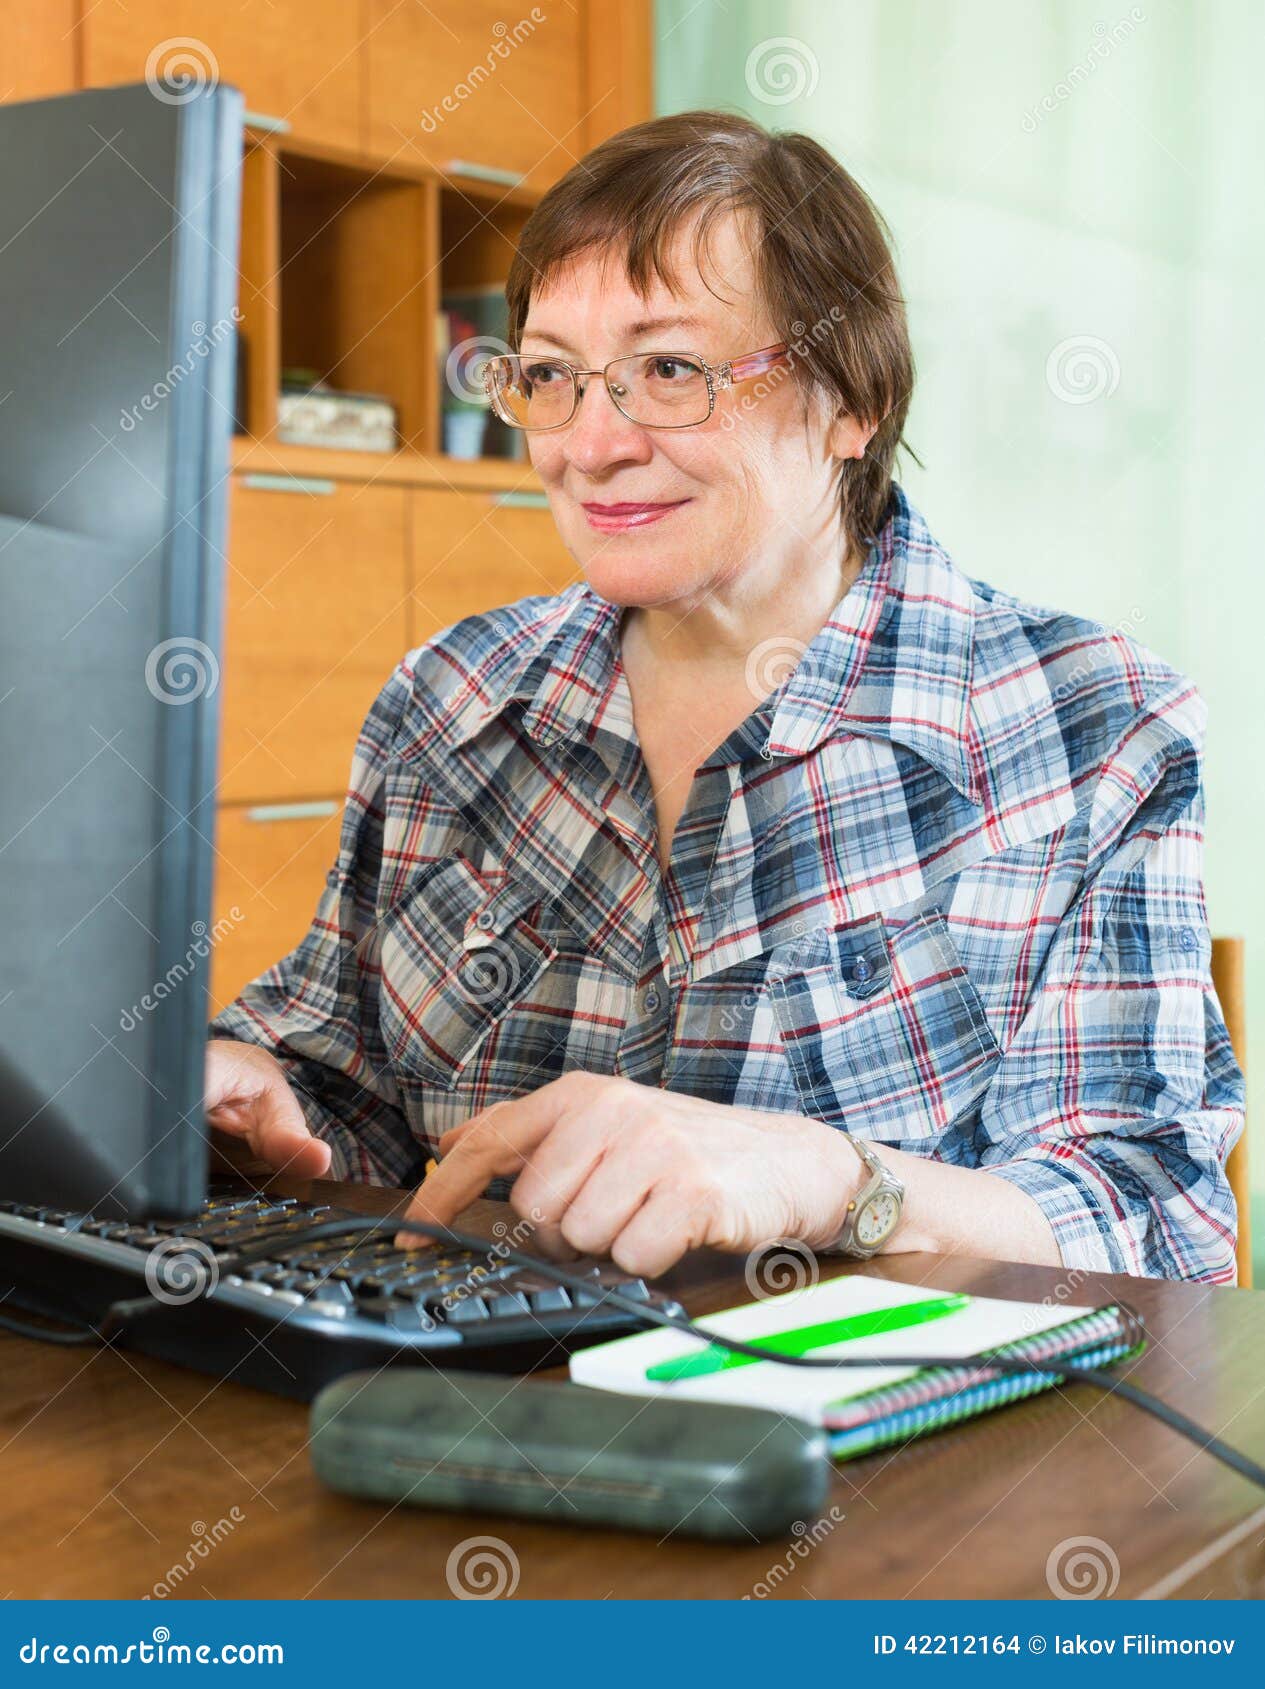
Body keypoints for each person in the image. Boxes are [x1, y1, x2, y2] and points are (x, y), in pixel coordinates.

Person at [206, 110, 1244, 1283]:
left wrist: (833, 1179)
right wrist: (250, 1093)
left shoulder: (1093, 727)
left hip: (865, 1405)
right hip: (465, 1386)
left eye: (667, 371)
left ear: (851, 401)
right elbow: (346, 1090)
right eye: (549, 377)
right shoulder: (447, 700)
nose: (589, 445)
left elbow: (1152, 1227)